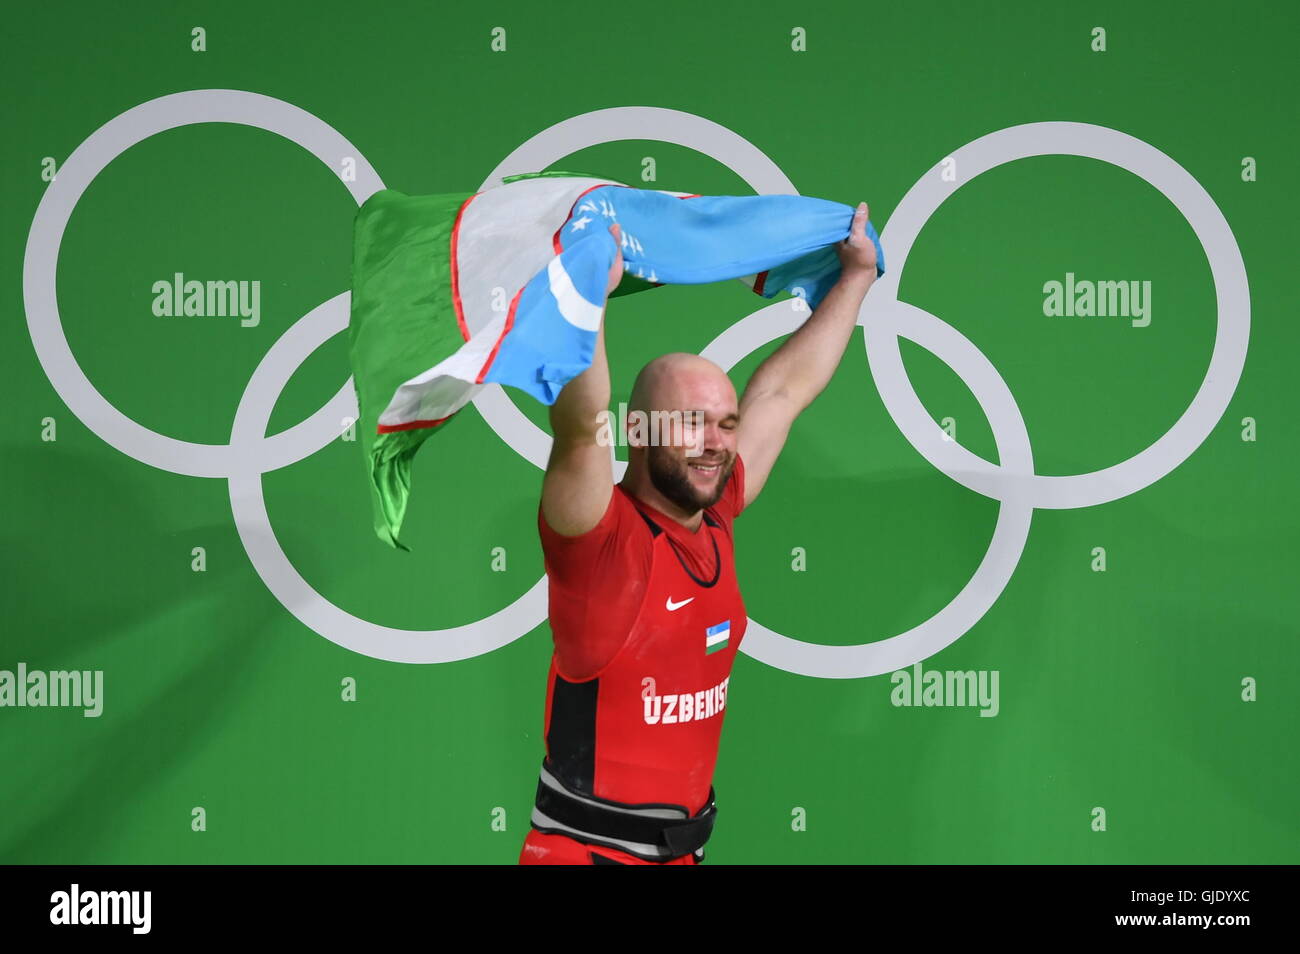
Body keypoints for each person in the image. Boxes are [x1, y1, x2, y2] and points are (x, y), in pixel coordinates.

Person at [517, 203, 879, 865]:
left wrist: (854, 278)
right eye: (690, 423)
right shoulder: (599, 539)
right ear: (638, 431)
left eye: (724, 424)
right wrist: (587, 292)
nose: (715, 444)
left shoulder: (718, 515)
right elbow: (581, 418)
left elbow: (784, 392)